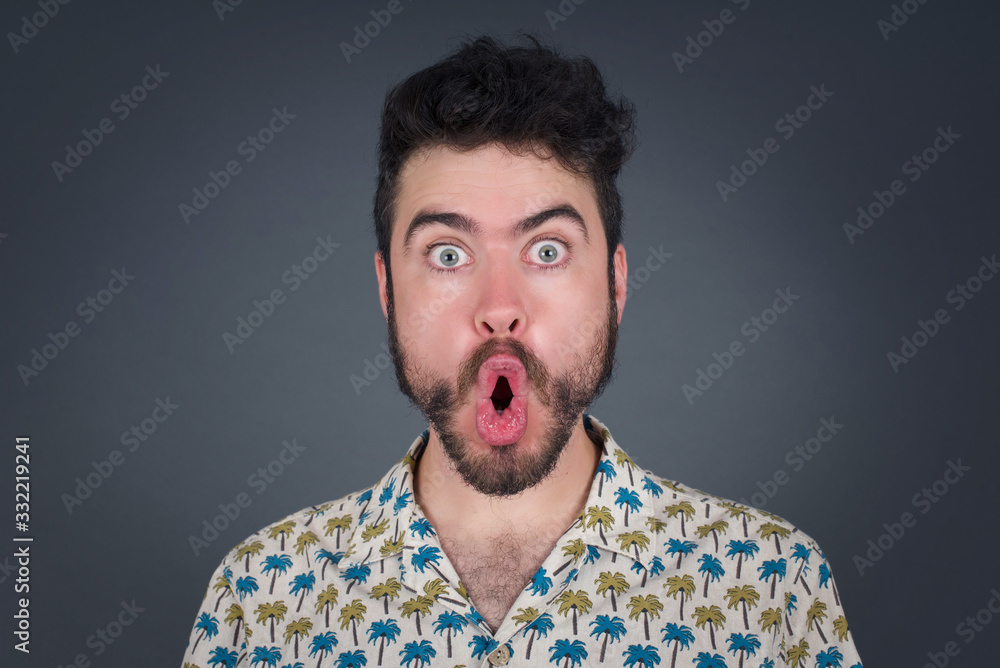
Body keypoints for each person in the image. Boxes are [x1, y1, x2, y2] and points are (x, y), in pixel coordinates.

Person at [181, 33, 863, 667]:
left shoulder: (774, 583)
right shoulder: (258, 595)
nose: (499, 306)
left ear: (616, 284)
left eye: (546, 250)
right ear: (388, 291)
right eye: (448, 254)